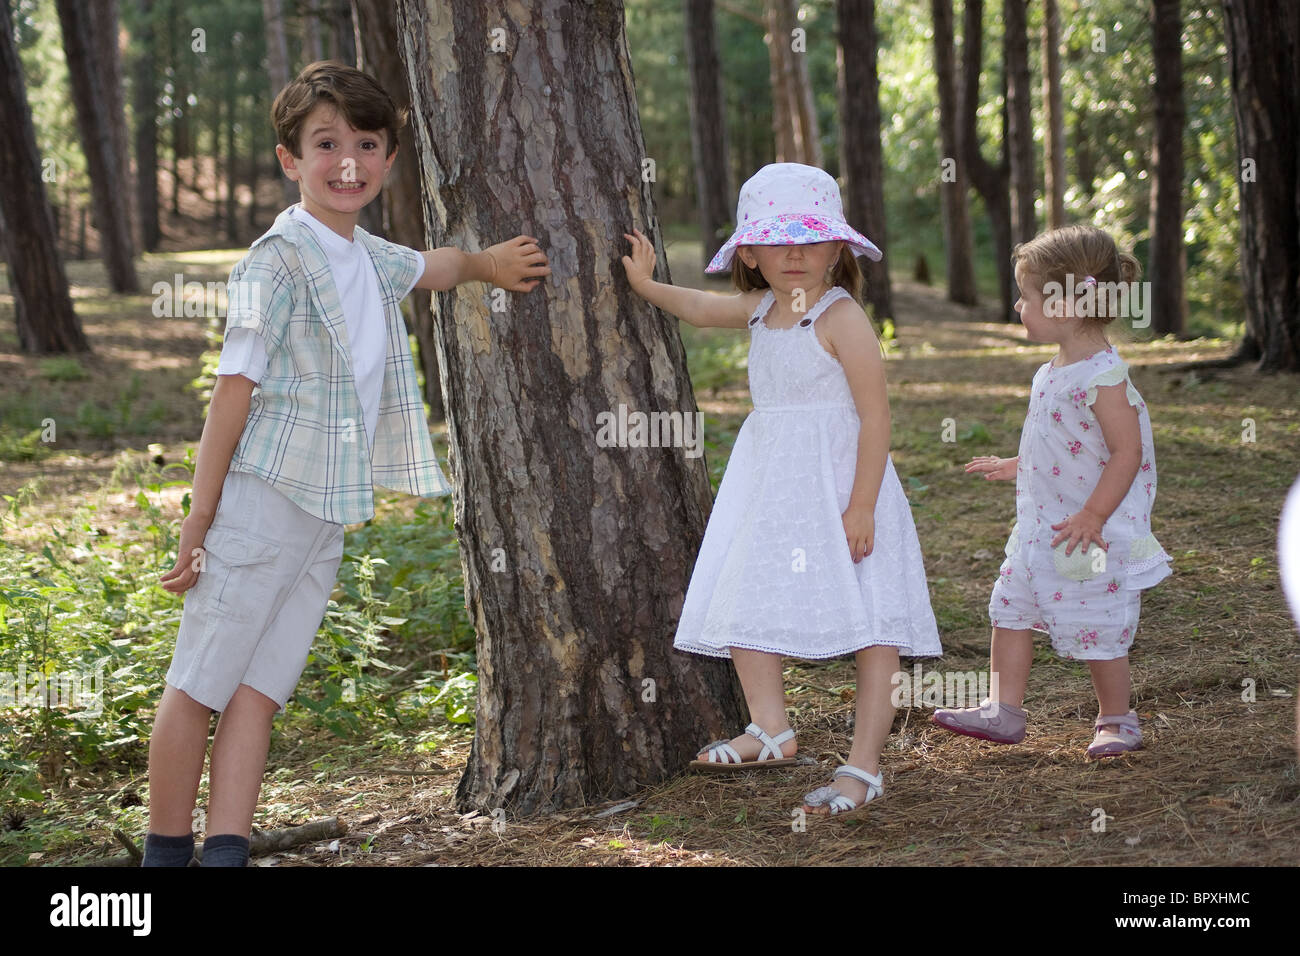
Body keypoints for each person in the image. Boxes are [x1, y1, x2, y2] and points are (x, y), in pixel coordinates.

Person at [142, 61, 549, 866]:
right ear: (291, 159)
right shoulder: (277, 259)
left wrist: (487, 264)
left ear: (390, 157)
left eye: (367, 143)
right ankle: (163, 855)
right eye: (326, 144)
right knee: (198, 684)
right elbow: (232, 389)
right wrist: (199, 516)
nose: (349, 161)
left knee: (257, 691)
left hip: (323, 513)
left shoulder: (362, 254)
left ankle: (225, 851)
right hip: (261, 502)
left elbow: (431, 267)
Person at [621, 163, 941, 817]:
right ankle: (771, 727)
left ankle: (863, 765)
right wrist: (645, 284)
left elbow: (876, 416)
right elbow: (701, 307)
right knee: (747, 588)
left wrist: (859, 503)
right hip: (773, 488)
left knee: (875, 622)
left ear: (838, 248)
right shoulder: (760, 308)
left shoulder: (841, 315)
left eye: (812, 239)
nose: (795, 254)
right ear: (751, 252)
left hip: (846, 487)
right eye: (777, 241)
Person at [934, 225, 1171, 758]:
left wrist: (1094, 514)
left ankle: (1117, 719)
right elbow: (1065, 442)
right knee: (1009, 608)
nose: (1019, 306)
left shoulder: (1104, 377)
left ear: (1065, 304)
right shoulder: (1054, 370)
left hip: (1088, 533)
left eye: (1027, 296)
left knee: (1098, 623)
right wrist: (1018, 464)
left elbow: (1125, 453)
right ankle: (1004, 708)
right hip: (1043, 526)